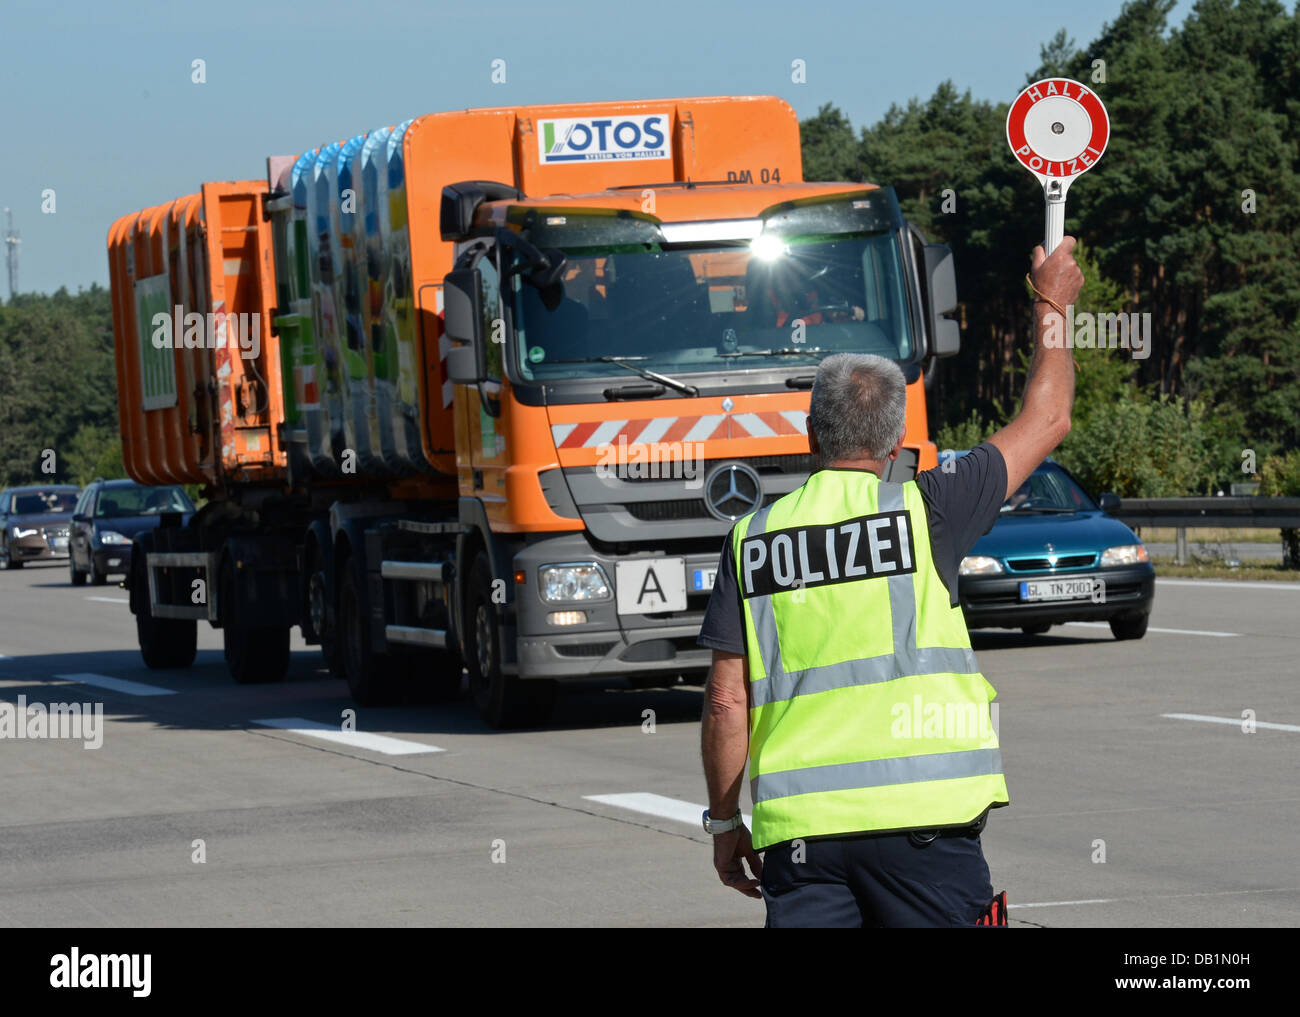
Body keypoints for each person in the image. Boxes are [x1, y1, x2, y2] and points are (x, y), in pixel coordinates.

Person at [697, 238, 1085, 927]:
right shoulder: (930, 508)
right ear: (896, 439)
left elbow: (729, 702)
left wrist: (725, 819)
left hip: (804, 837)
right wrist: (1052, 303)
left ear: (810, 433)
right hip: (927, 824)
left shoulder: (750, 538)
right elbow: (1047, 417)